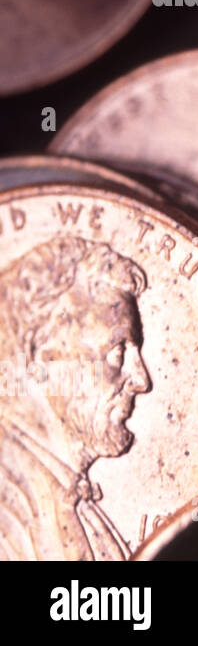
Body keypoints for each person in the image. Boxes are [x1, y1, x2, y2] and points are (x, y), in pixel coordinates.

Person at [0, 236, 151, 560]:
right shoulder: (8, 514)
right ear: (43, 358)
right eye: (118, 351)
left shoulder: (82, 509)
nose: (141, 380)